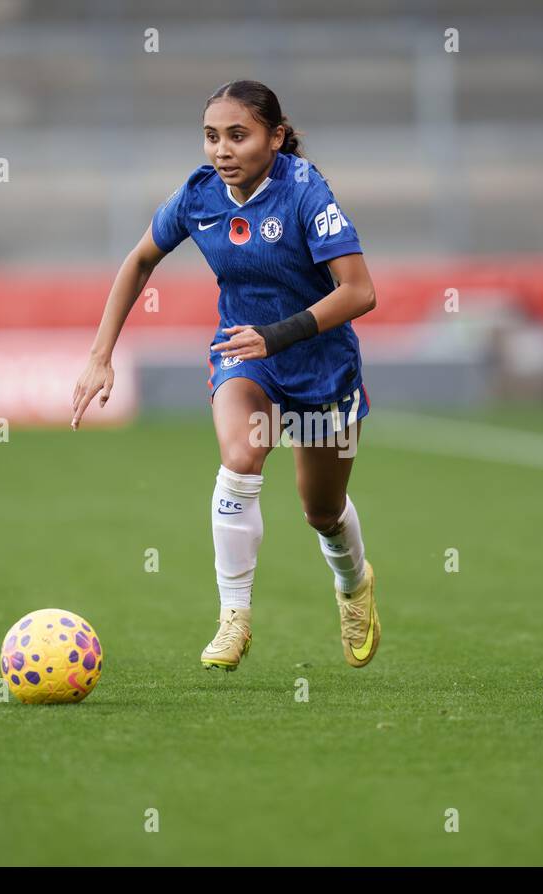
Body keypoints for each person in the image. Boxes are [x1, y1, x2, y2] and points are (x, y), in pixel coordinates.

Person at [70, 80, 380, 670]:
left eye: (238, 135)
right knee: (240, 457)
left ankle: (353, 582)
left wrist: (280, 334)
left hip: (321, 367)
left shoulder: (306, 191)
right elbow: (139, 260)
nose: (222, 150)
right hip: (244, 355)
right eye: (212, 137)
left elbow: (360, 292)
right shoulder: (198, 196)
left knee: (322, 510)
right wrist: (99, 354)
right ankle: (234, 617)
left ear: (276, 137)